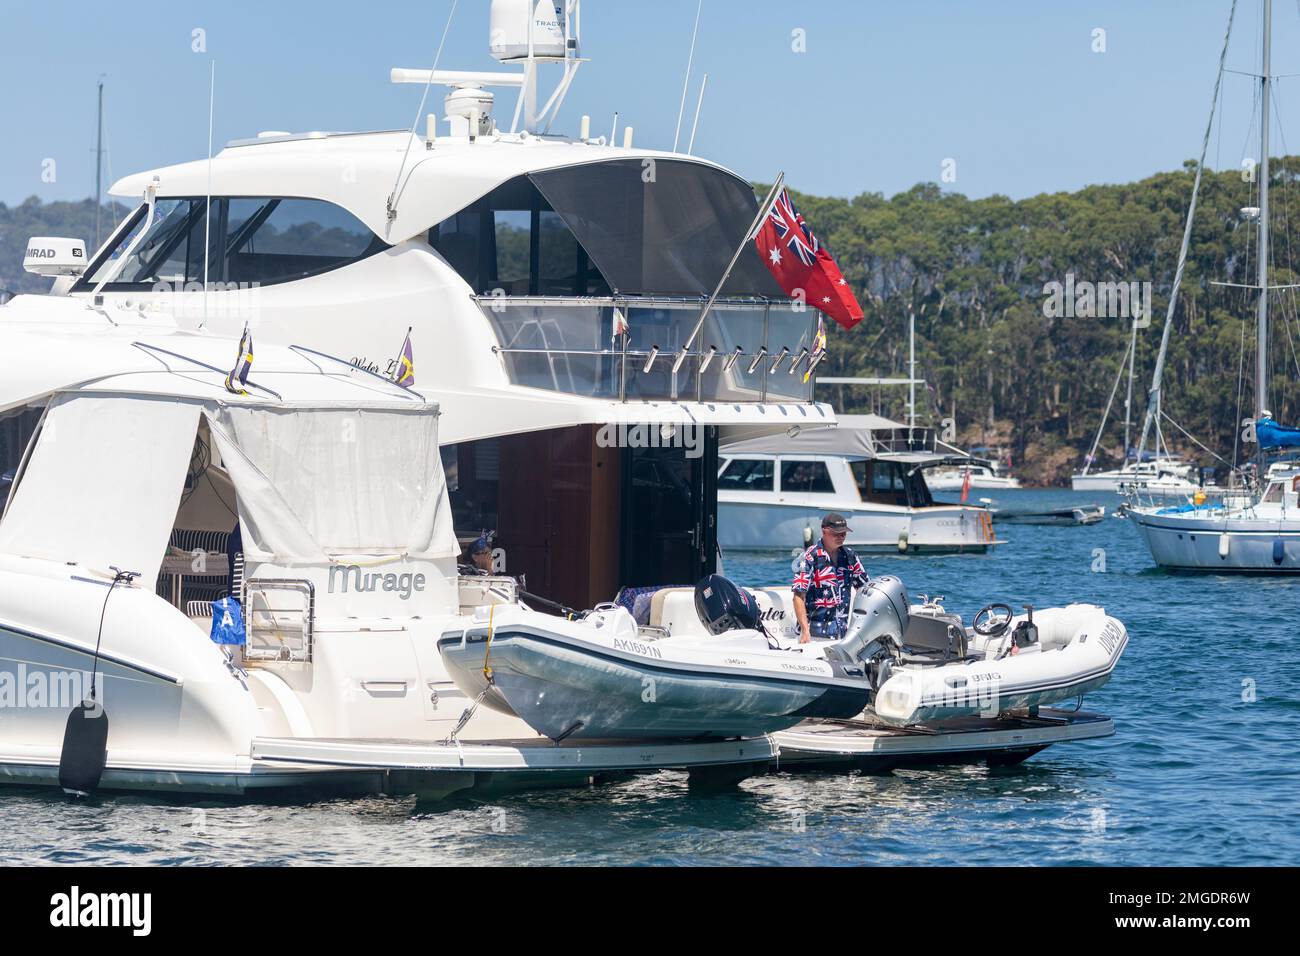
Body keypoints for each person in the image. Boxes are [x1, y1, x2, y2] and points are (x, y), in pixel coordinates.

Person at [791, 513, 868, 643]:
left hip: (842, 636)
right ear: (824, 531)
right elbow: (798, 596)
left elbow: (865, 590)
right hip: (813, 636)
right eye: (836, 534)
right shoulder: (809, 557)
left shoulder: (850, 556)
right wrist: (805, 631)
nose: (840, 537)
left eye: (843, 534)